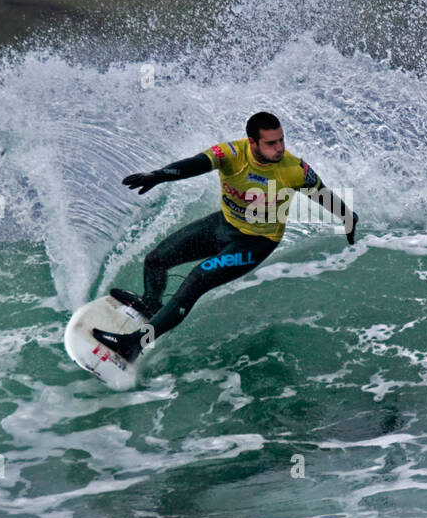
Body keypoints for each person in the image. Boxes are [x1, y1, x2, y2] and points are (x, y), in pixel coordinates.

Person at [92, 111, 358, 362]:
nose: (279, 148)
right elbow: (195, 164)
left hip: (255, 242)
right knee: (155, 260)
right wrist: (159, 175)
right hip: (223, 225)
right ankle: (151, 307)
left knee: (196, 281)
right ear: (252, 141)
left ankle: (135, 344)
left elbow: (323, 195)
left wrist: (348, 217)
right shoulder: (231, 154)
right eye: (271, 143)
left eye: (281, 140)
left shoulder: (294, 169)